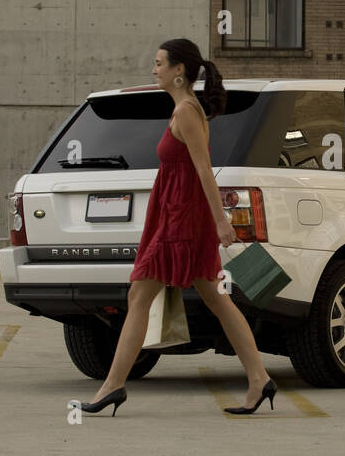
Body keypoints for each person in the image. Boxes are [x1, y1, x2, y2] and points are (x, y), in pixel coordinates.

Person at [73, 38, 276, 417]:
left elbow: (203, 169)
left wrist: (221, 221)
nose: (154, 70)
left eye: (159, 63)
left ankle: (113, 386)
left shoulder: (186, 111)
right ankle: (259, 378)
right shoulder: (182, 109)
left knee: (141, 295)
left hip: (181, 219)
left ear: (178, 70)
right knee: (215, 297)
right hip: (175, 214)